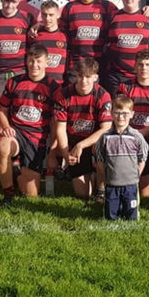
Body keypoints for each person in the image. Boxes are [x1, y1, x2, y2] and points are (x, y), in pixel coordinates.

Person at [0, 44, 58, 202]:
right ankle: (8, 193)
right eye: (30, 61)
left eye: (38, 61)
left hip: (36, 139)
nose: (34, 65)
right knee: (2, 148)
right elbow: (1, 110)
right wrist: (7, 127)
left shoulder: (54, 88)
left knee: (30, 195)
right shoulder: (14, 82)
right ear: (26, 61)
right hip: (17, 133)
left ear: (46, 63)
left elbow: (56, 122)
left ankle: (17, 170)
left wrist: (53, 152)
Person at [51, 57, 113, 199]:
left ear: (96, 77)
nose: (83, 81)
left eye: (88, 77)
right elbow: (60, 128)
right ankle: (87, 176)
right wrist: (66, 153)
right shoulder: (63, 95)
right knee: (82, 194)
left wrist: (82, 144)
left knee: (100, 147)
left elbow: (106, 128)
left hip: (93, 142)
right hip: (74, 143)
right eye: (80, 76)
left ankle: (101, 190)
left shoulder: (103, 95)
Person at [117, 49, 149, 198]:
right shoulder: (125, 88)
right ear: (135, 66)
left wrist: (144, 133)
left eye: (148, 64)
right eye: (140, 64)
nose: (144, 68)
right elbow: (120, 115)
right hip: (127, 137)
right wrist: (133, 134)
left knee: (146, 194)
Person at [94, 95, 149, 221]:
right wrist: (106, 175)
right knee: (110, 217)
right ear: (111, 114)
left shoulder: (136, 136)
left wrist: (137, 174)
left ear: (132, 114)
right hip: (112, 183)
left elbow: (143, 156)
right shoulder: (105, 137)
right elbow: (100, 158)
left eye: (125, 113)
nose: (121, 117)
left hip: (131, 183)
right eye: (117, 113)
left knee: (131, 215)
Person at [59, 0, 118, 78]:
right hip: (76, 63)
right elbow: (59, 30)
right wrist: (40, 24)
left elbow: (126, 17)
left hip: (100, 63)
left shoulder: (107, 7)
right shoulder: (70, 7)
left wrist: (147, 11)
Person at [103, 0, 149, 95]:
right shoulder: (113, 17)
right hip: (116, 76)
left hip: (139, 75)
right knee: (116, 110)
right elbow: (104, 40)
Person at [33, 0, 68, 86]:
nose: (47, 18)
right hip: (39, 84)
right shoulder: (35, 35)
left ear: (58, 15)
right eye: (44, 15)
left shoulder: (66, 35)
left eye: (51, 15)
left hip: (59, 84)